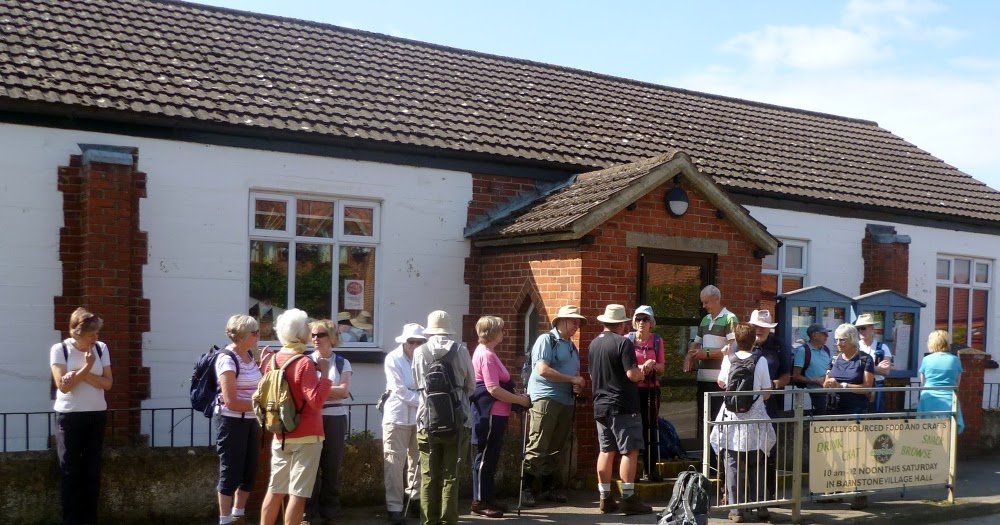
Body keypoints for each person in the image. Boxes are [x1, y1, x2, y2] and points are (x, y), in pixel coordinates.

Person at [259, 309, 334, 525]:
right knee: (298, 494)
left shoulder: (272, 360)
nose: (311, 335)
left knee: (275, 490)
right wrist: (326, 374)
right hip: (307, 436)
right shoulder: (303, 363)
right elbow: (316, 400)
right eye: (308, 331)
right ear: (301, 334)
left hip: (280, 434)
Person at [49, 307, 113, 525]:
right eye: (90, 335)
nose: (95, 338)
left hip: (96, 415)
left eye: (97, 334)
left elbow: (108, 383)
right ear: (76, 333)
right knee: (70, 471)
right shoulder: (60, 350)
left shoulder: (102, 348)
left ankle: (89, 520)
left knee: (92, 470)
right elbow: (63, 386)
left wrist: (79, 376)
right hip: (69, 417)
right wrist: (87, 368)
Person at [412, 310, 475, 525]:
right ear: (448, 329)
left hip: (426, 421)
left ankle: (428, 521)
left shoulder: (419, 352)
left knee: (428, 476)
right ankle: (448, 521)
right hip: (458, 421)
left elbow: (417, 384)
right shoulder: (461, 350)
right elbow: (471, 386)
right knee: (451, 475)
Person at [590, 304, 653, 515]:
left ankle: (605, 497)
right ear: (622, 323)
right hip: (623, 405)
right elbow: (632, 375)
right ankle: (628, 497)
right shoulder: (623, 343)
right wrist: (642, 371)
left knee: (606, 450)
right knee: (630, 450)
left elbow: (592, 375)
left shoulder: (593, 344)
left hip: (600, 404)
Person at [521, 304, 587, 506]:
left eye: (578, 322)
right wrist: (571, 379)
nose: (577, 325)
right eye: (573, 321)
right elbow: (542, 370)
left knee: (556, 446)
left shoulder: (571, 346)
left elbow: (573, 376)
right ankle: (527, 489)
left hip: (565, 400)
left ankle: (548, 487)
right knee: (538, 444)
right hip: (545, 398)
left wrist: (578, 384)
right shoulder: (546, 340)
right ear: (561, 321)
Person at [710, 323, 775, 524]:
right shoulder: (761, 360)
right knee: (758, 460)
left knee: (732, 462)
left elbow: (721, 383)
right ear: (754, 339)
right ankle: (761, 505)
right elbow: (766, 392)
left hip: (732, 418)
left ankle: (736, 509)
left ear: (736, 341)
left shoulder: (729, 359)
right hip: (755, 418)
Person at [470, 316, 532, 518]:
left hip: (497, 413)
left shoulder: (489, 353)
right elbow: (493, 389)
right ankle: (479, 501)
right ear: (493, 332)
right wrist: (520, 400)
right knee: (485, 457)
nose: (504, 333)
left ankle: (487, 497)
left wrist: (516, 398)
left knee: (492, 457)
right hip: (490, 413)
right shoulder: (486, 355)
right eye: (501, 330)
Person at [214, 315, 265, 525]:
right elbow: (231, 401)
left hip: (251, 421)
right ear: (245, 335)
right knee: (230, 470)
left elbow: (254, 386)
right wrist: (263, 406)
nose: (259, 336)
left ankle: (238, 514)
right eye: (256, 333)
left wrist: (265, 367)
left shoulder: (250, 356)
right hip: (231, 422)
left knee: (249, 470)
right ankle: (225, 520)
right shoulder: (227, 358)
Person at [823, 323, 875, 510]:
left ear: (851, 340)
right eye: (836, 339)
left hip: (856, 411)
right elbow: (826, 381)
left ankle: (860, 493)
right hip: (834, 410)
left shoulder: (865, 359)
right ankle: (835, 491)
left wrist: (843, 386)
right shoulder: (835, 359)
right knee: (835, 451)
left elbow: (867, 387)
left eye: (842, 340)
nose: (838, 343)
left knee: (857, 452)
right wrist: (829, 383)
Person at [305, 319, 351, 525]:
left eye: (320, 334)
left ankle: (330, 513)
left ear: (331, 337)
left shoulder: (342, 362)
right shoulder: (305, 361)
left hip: (335, 419)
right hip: (312, 418)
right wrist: (326, 391)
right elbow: (304, 392)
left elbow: (344, 392)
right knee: (309, 467)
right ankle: (307, 512)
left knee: (331, 466)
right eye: (313, 335)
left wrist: (319, 389)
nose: (315, 338)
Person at [747, 309, 789, 520]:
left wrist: (775, 384)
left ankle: (766, 495)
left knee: (767, 450)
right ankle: (742, 497)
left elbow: (786, 374)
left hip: (769, 404)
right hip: (745, 407)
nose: (759, 330)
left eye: (763, 326)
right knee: (744, 449)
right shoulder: (744, 343)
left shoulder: (779, 346)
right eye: (756, 326)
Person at [382, 323, 426, 525]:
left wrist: (422, 397)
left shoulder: (425, 358)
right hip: (397, 417)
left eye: (420, 341)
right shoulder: (392, 358)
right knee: (394, 463)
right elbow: (400, 391)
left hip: (419, 417)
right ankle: (394, 507)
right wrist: (426, 400)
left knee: (416, 461)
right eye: (412, 341)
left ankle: (415, 499)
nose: (416, 345)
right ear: (404, 341)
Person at [688, 285, 738, 441]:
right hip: (703, 378)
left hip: (720, 381)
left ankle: (718, 460)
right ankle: (707, 459)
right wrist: (688, 357)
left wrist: (707, 354)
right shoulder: (704, 319)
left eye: (707, 302)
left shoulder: (730, 318)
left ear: (717, 299)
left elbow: (732, 348)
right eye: (703, 302)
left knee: (719, 422)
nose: (704, 306)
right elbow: (696, 343)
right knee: (706, 421)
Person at [627, 305, 665, 482]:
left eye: (645, 319)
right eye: (639, 319)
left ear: (652, 323)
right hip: (633, 390)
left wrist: (653, 365)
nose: (642, 322)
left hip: (651, 389)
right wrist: (639, 368)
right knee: (634, 428)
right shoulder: (627, 340)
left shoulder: (657, 341)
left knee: (651, 427)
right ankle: (632, 471)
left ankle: (651, 469)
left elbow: (662, 368)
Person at [917, 330, 964, 434]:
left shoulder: (926, 359)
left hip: (929, 399)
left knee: (926, 432)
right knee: (948, 433)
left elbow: (923, 381)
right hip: (949, 399)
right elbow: (958, 382)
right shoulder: (955, 360)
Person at [791, 324, 834, 416]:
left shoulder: (826, 350)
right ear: (814, 335)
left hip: (831, 390)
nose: (827, 336)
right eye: (824, 334)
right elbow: (796, 376)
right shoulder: (803, 351)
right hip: (817, 391)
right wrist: (813, 381)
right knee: (823, 417)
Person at [855, 313, 893, 412]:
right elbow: (851, 368)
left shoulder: (883, 347)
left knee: (876, 417)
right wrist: (875, 368)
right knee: (857, 417)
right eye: (858, 329)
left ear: (872, 328)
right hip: (858, 385)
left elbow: (886, 371)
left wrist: (863, 367)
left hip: (877, 385)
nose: (860, 331)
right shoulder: (854, 347)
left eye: (863, 328)